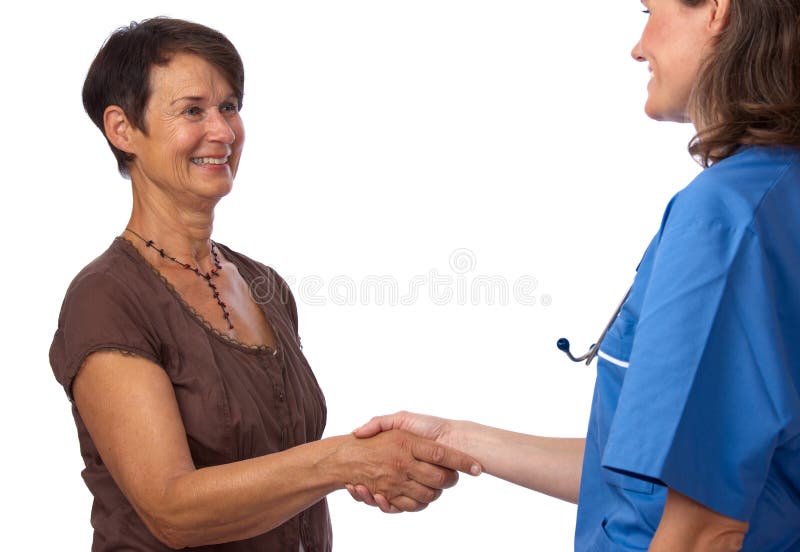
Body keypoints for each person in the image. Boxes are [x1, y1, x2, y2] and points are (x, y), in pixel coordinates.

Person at [351, 0, 800, 550]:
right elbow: (652, 473)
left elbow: (704, 531)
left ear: (716, 10)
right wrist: (454, 437)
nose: (638, 47)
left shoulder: (724, 217)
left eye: (648, 11)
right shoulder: (778, 194)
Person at [49, 17, 480, 552]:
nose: (223, 132)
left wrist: (372, 465)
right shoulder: (107, 298)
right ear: (122, 129)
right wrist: (341, 459)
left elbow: (281, 473)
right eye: (193, 111)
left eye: (230, 107)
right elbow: (172, 510)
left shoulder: (261, 283)